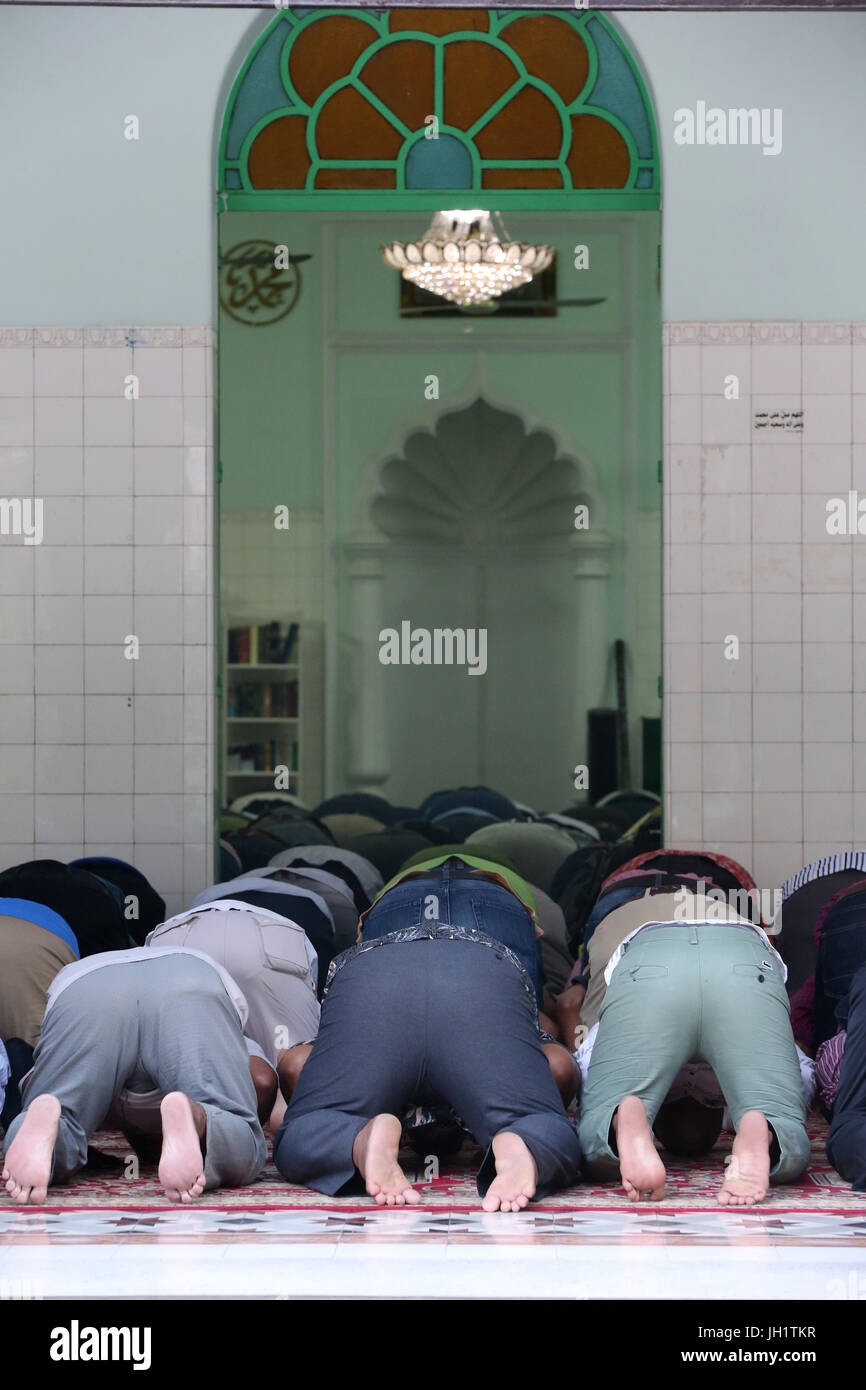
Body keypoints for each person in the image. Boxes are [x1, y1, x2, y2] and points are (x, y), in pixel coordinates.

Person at [273, 925, 582, 1210]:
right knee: (540, 1122)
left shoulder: (378, 928)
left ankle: (356, 1140)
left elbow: (302, 1061)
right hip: (482, 976)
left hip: (372, 978)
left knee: (304, 1129)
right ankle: (523, 1141)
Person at [578, 907, 810, 1206]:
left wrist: (600, 1108)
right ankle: (763, 1125)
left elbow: (582, 1071)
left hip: (652, 964)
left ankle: (618, 1118)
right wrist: (778, 1109)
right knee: (785, 1125)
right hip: (740, 959)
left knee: (593, 1141)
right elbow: (804, 1077)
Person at [2, 946, 269, 1204]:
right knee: (238, 1129)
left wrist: (43, 1092)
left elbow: (30, 1079)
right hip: (190, 981)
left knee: (63, 1114)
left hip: (87, 987)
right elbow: (260, 1076)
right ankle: (200, 1118)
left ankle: (50, 1119)